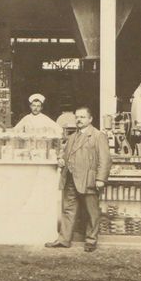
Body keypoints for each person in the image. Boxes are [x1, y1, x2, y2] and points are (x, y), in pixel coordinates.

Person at [45, 106, 112, 252]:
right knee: (68, 210)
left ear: (90, 119)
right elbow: (65, 154)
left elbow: (105, 159)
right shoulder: (72, 137)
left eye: (82, 117)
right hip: (70, 178)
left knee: (91, 212)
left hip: (88, 179)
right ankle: (64, 240)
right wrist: (62, 160)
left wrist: (101, 179)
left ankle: (91, 241)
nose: (79, 120)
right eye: (77, 117)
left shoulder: (98, 135)